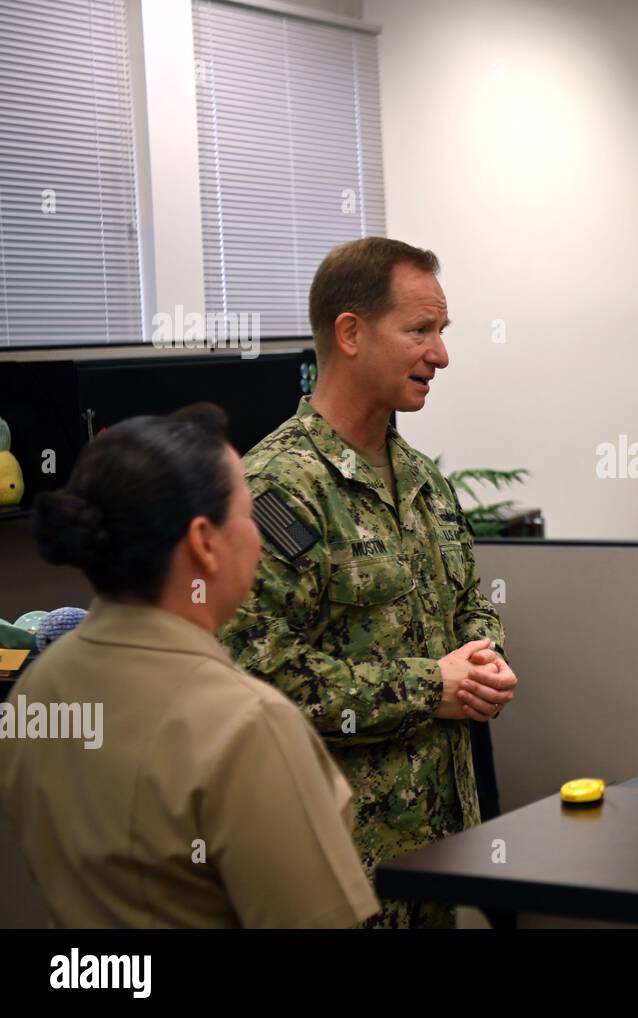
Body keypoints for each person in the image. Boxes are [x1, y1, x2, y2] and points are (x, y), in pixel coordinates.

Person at [220, 237, 518, 929]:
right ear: (350, 333)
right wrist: (430, 688)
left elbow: (470, 603)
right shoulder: (277, 490)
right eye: (420, 331)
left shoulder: (422, 480)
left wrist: (484, 660)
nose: (440, 355)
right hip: (339, 872)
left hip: (440, 856)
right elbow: (261, 683)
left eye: (442, 333)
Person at [0, 404, 377, 928]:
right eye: (248, 516)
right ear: (204, 542)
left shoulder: (37, 691)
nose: (258, 538)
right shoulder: (247, 724)